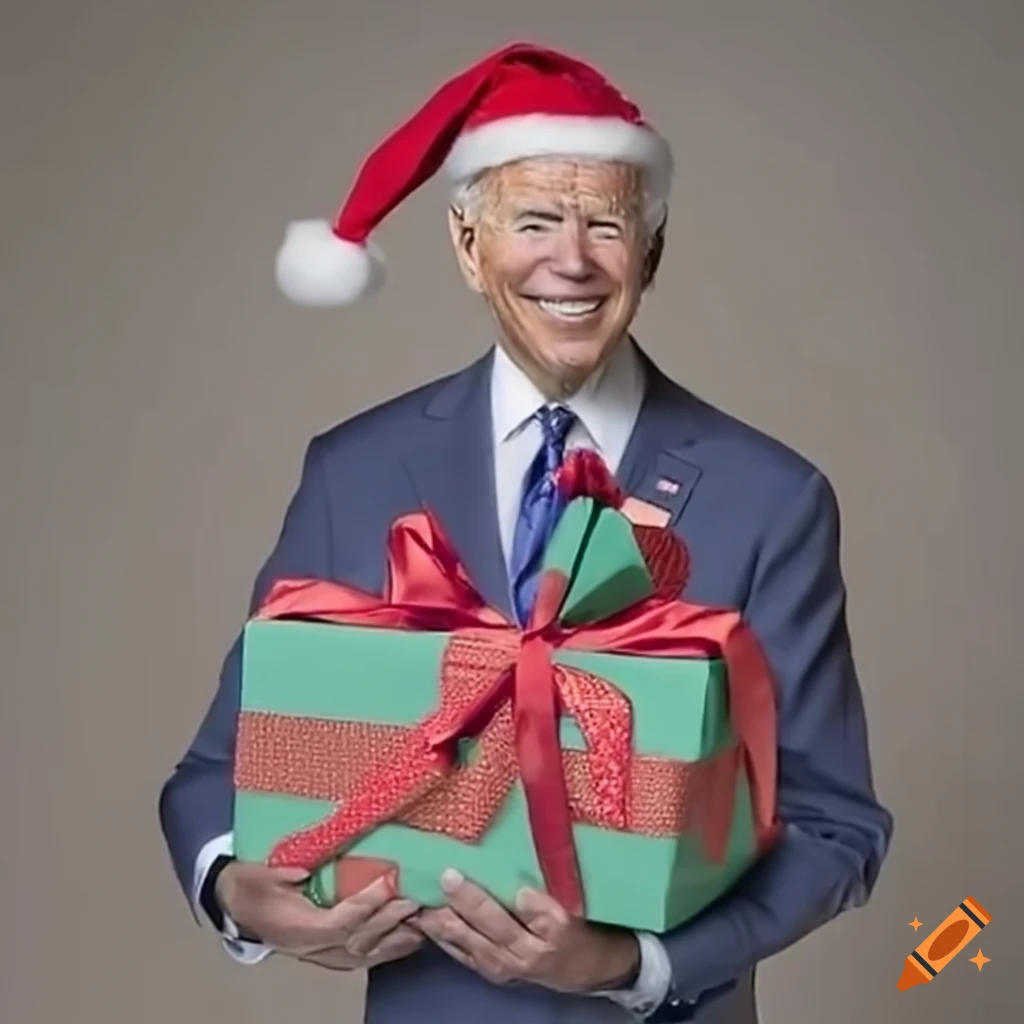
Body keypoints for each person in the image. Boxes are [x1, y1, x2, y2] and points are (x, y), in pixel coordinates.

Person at [158, 41, 893, 1024]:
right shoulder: (357, 469)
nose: (572, 260)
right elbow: (219, 768)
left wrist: (633, 963)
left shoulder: (771, 496)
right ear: (468, 246)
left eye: (606, 224)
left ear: (652, 250)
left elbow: (833, 825)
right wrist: (236, 891)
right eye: (536, 220)